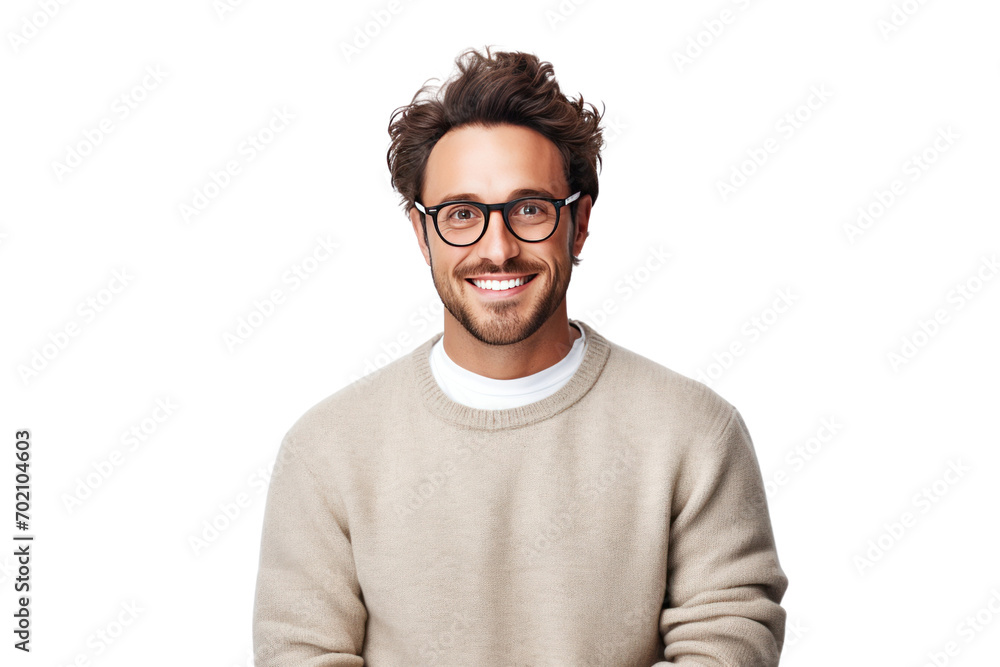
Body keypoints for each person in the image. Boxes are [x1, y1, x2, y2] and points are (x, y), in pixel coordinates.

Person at [252, 46, 788, 666]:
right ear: (422, 232)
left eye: (528, 209)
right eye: (461, 214)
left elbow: (728, 638)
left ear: (578, 223)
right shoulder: (327, 449)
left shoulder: (694, 432)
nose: (498, 248)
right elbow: (300, 655)